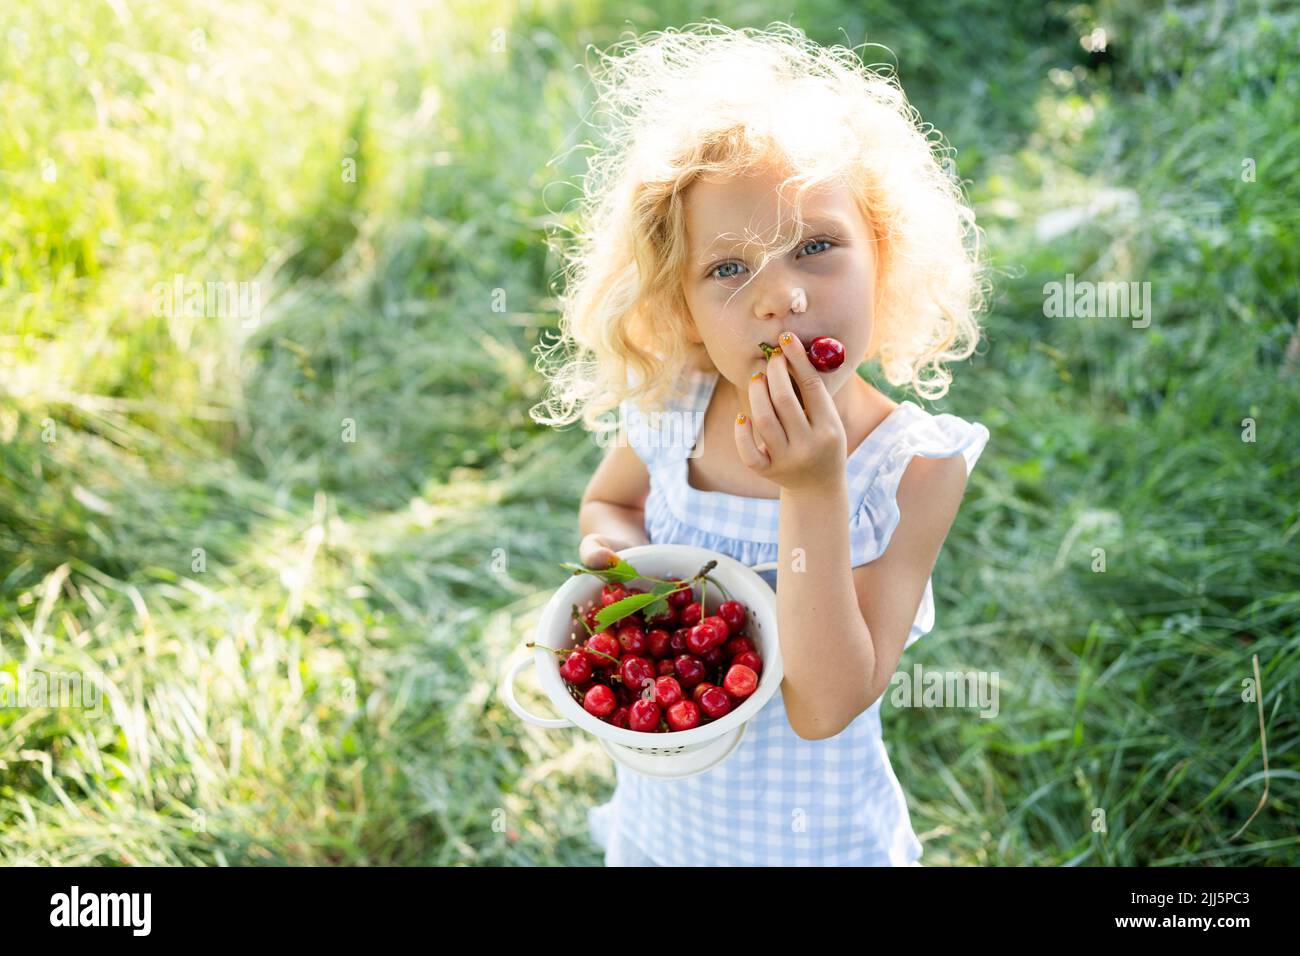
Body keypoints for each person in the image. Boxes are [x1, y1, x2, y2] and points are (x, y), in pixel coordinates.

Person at [530, 22, 990, 866]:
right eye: (729, 269)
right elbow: (613, 500)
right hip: (667, 818)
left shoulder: (915, 467)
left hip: (817, 841)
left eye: (816, 247)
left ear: (884, 258)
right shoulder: (677, 407)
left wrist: (816, 489)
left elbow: (824, 705)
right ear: (686, 312)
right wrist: (621, 561)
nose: (780, 296)